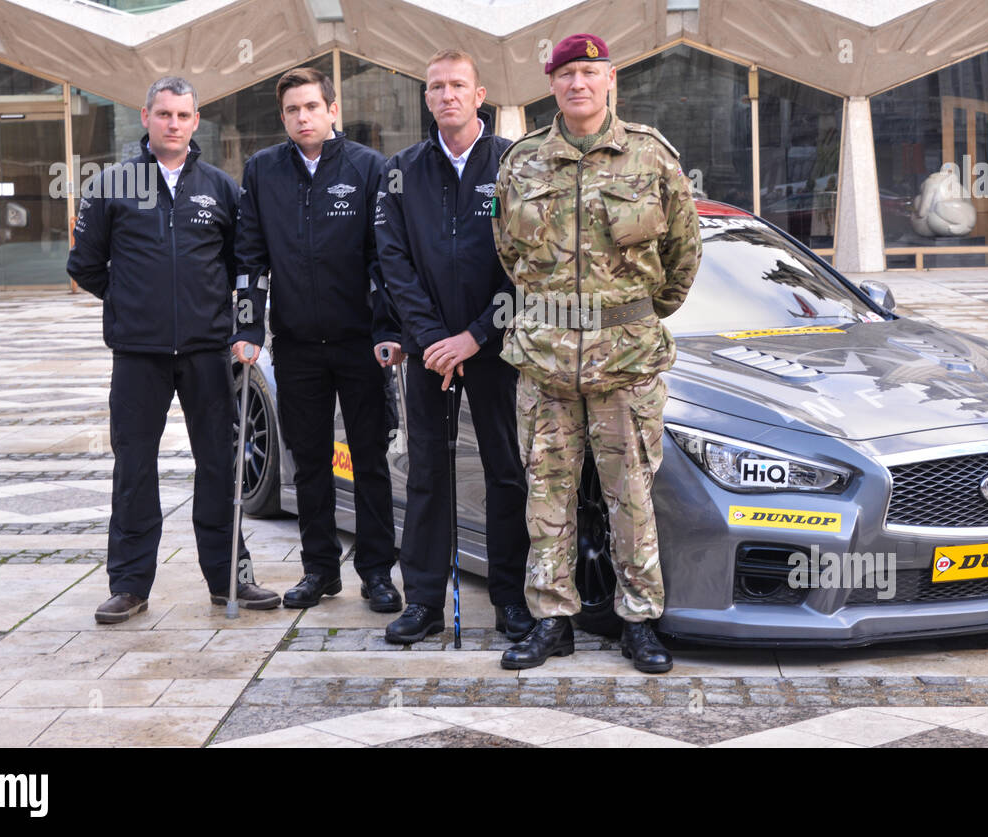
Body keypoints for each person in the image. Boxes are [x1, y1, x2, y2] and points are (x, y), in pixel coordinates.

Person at [492, 34, 702, 672]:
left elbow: (682, 259)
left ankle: (639, 621)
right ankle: (552, 619)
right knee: (546, 496)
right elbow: (510, 254)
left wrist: (626, 319)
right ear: (551, 85)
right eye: (566, 74)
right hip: (546, 362)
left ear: (610, 79)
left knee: (631, 496)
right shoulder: (522, 163)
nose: (577, 83)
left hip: (627, 361)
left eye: (589, 72)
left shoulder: (652, 158)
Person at [67, 76, 280, 623]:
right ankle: (130, 585)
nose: (173, 124)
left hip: (209, 352)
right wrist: (132, 302)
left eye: (183, 116)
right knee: (134, 467)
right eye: (164, 114)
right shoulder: (113, 184)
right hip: (137, 355)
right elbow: (84, 265)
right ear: (145, 117)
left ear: (195, 120)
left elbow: (246, 265)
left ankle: (229, 576)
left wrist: (243, 329)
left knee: (219, 465)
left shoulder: (220, 188)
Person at [375, 50, 533, 645]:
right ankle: (422, 602)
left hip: (497, 350)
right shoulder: (402, 170)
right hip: (430, 353)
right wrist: (434, 340)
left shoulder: (516, 164)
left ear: (479, 94)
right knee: (426, 473)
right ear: (426, 98)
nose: (446, 95)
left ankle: (513, 599)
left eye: (457, 85)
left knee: (506, 473)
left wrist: (475, 336)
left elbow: (527, 267)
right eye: (436, 86)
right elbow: (394, 262)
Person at [231, 67, 403, 613]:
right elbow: (249, 258)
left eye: (311, 107)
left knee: (369, 459)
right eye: (291, 110)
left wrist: (389, 330)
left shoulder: (369, 168)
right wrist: (247, 328)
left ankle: (376, 572)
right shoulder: (262, 171)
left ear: (333, 110)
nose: (302, 117)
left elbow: (385, 259)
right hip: (297, 344)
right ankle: (320, 570)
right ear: (282, 117)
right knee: (309, 461)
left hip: (360, 344)